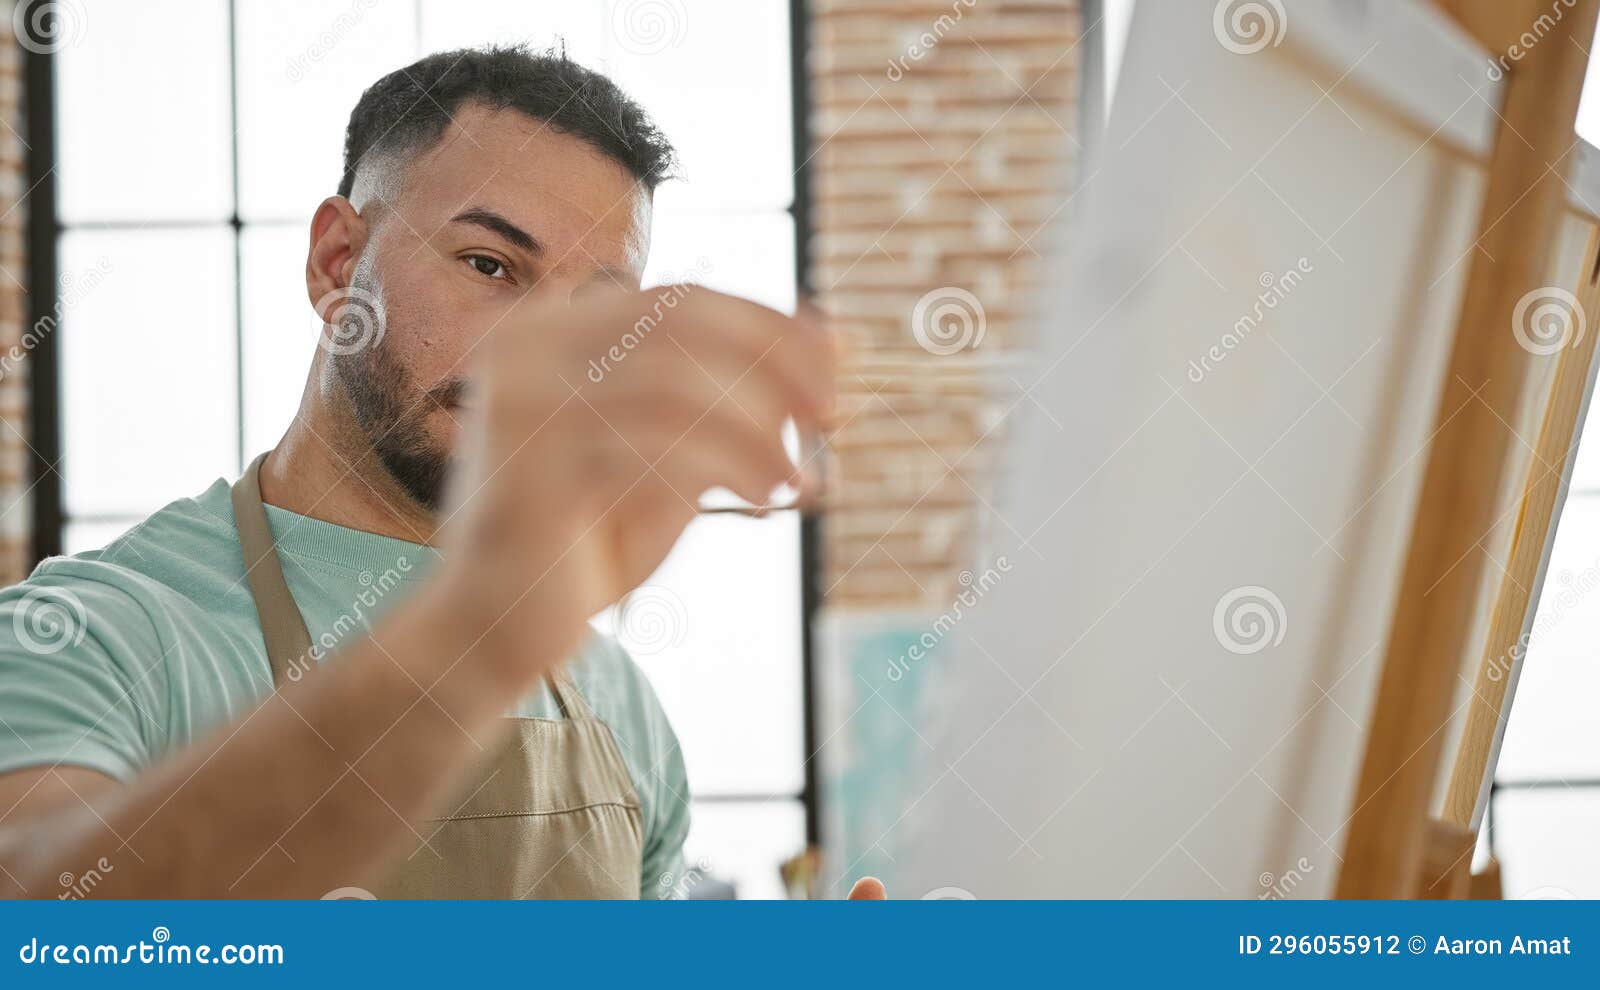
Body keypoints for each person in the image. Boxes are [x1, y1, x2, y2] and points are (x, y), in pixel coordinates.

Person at [0, 45, 882, 901]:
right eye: (490, 266)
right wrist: (480, 630)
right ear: (337, 262)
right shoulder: (89, 636)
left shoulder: (615, 699)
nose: (541, 351)